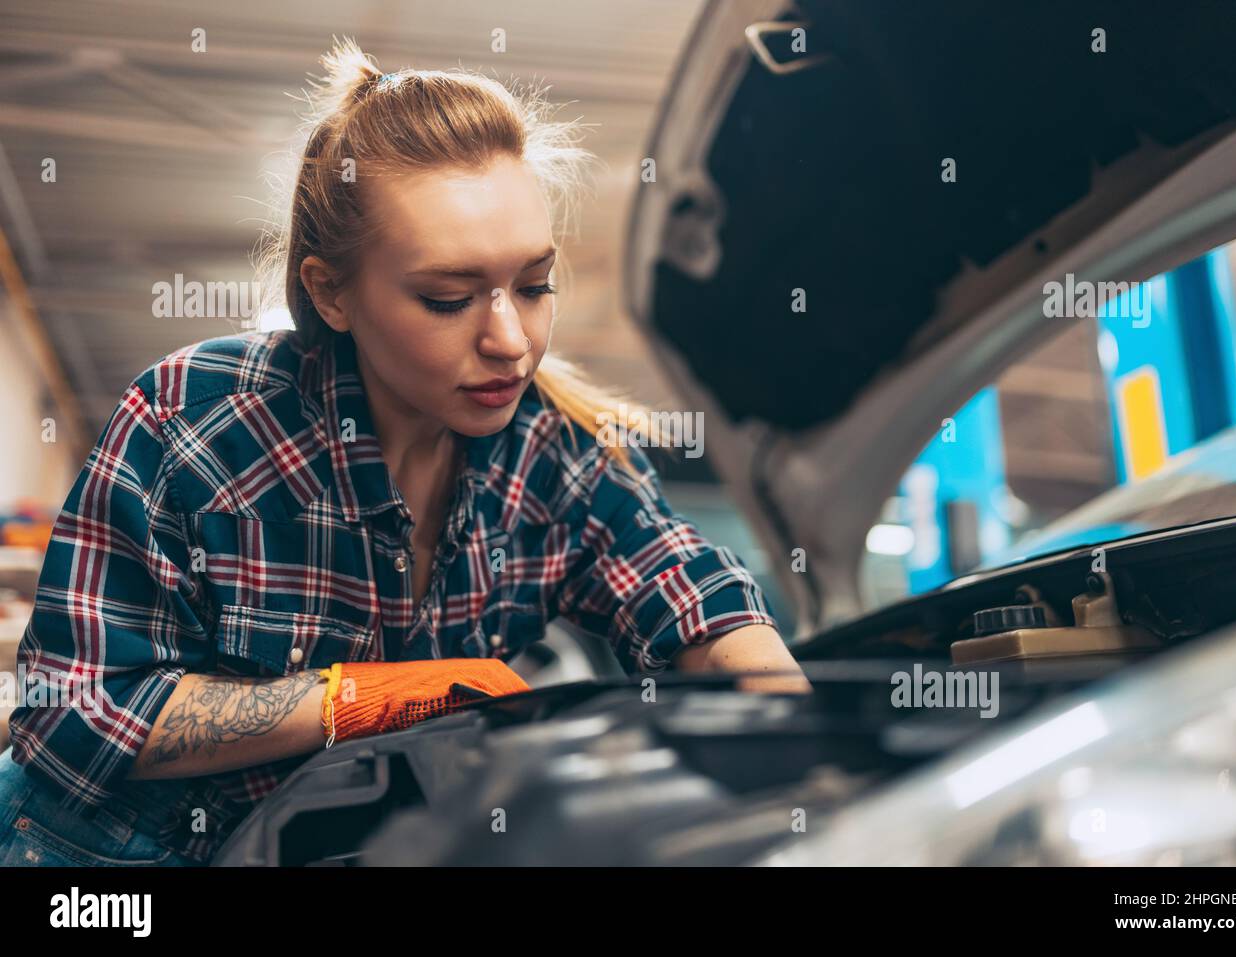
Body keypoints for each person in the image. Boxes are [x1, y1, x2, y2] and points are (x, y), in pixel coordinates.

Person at [0, 39, 810, 868]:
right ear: (330, 292)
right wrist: (364, 698)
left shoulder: (553, 453)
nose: (510, 342)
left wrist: (806, 747)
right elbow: (71, 713)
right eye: (447, 299)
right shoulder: (195, 423)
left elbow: (690, 593)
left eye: (535, 286)